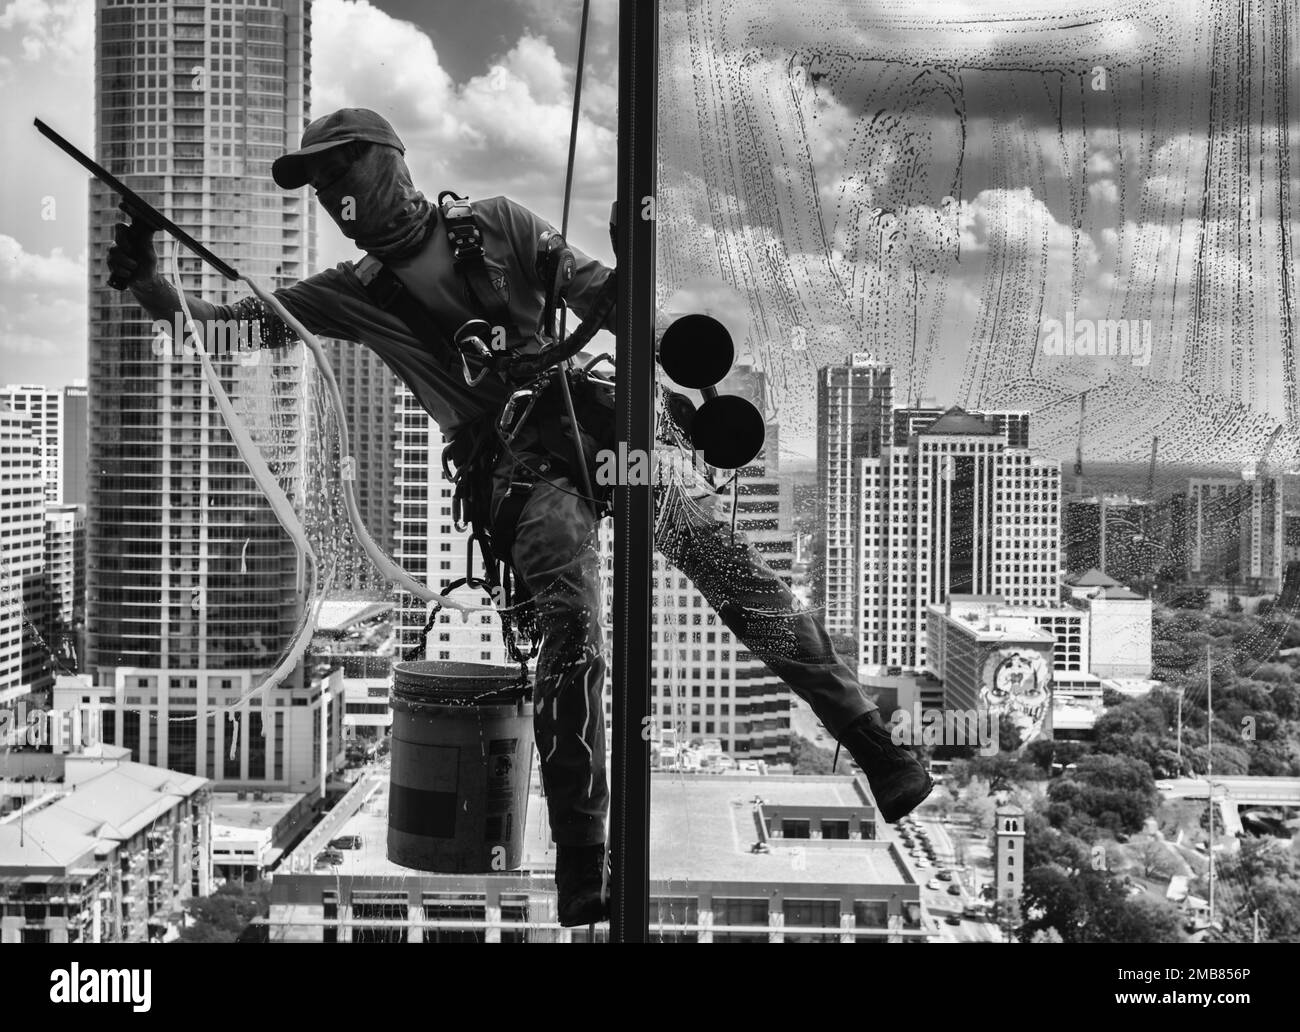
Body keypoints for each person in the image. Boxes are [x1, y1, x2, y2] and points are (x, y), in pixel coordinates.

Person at [107, 108, 932, 927]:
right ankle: (585, 856)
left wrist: (628, 268)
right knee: (571, 624)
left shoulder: (495, 226)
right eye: (318, 183)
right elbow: (213, 332)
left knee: (728, 568)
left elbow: (601, 298)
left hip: (591, 420)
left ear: (389, 163)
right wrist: (153, 286)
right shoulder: (349, 295)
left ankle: (872, 745)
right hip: (516, 471)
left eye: (338, 171)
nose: (330, 194)